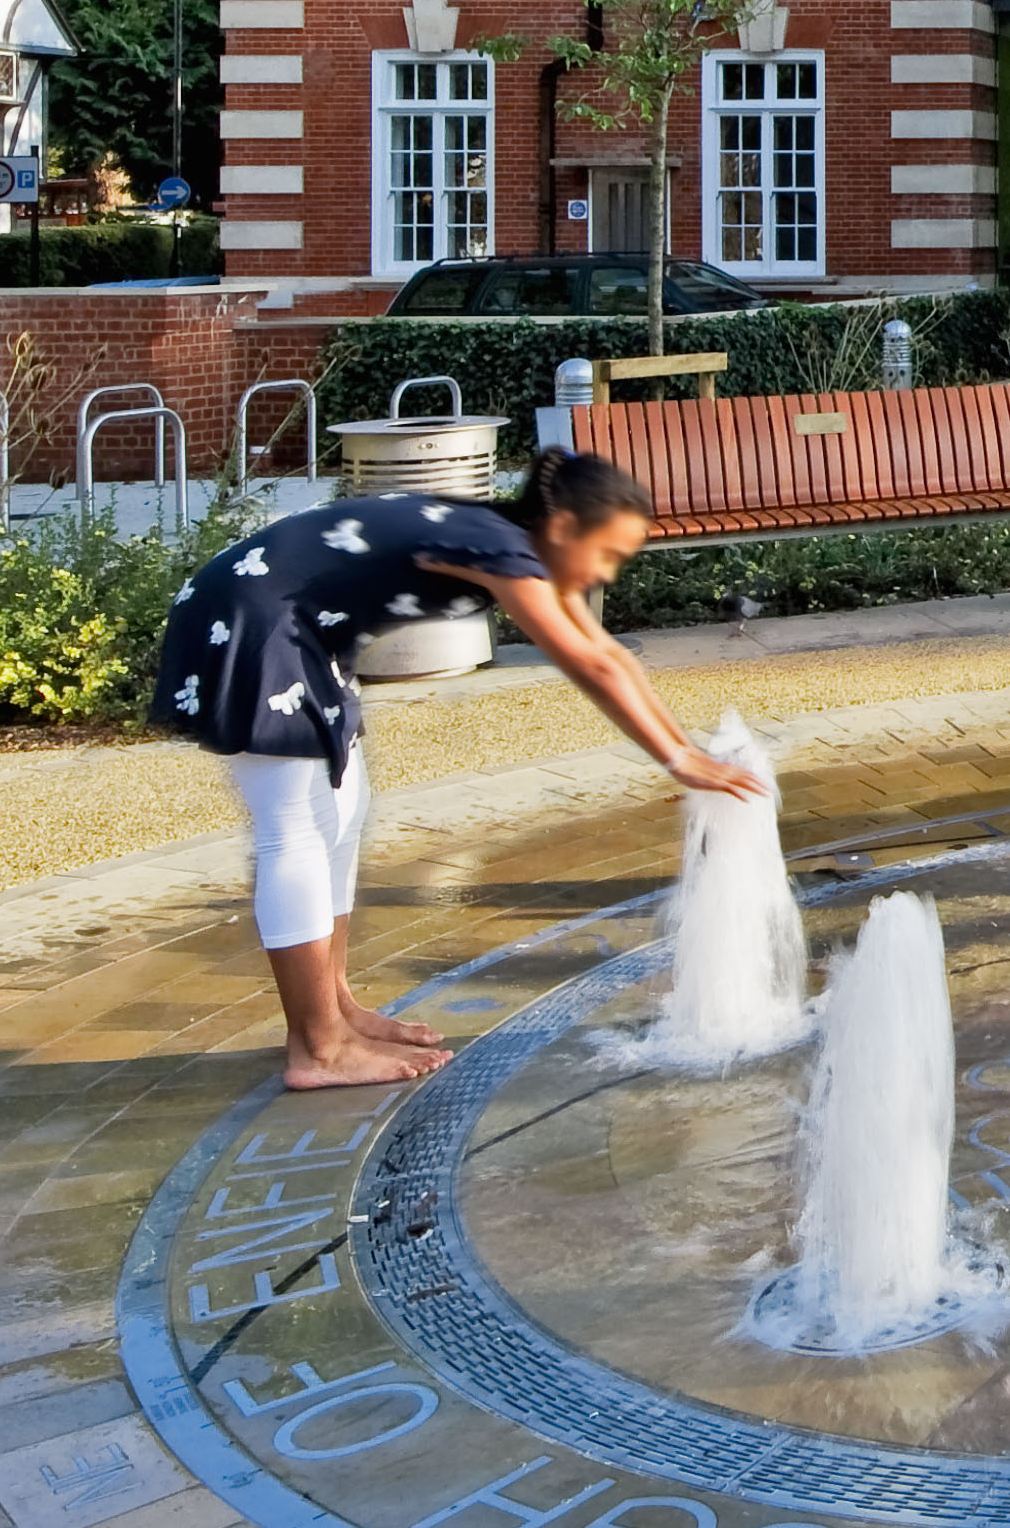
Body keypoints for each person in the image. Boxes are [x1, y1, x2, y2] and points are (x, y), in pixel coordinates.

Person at [155, 447, 763, 1087]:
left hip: (298, 629)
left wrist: (686, 750)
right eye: (607, 555)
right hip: (254, 623)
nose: (607, 573)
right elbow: (594, 666)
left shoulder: (505, 542)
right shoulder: (503, 551)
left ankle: (333, 1011)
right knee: (294, 832)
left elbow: (610, 653)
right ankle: (318, 1048)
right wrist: (676, 758)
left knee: (340, 812)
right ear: (561, 529)